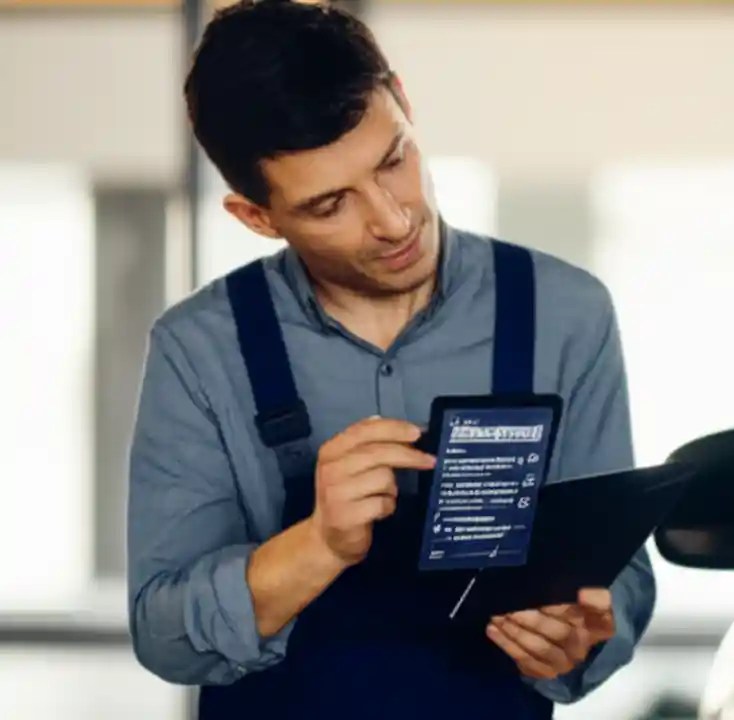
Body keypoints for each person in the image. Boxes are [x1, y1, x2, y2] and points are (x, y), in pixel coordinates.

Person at [125, 1, 654, 717]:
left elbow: (616, 576)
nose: (394, 219)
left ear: (402, 100)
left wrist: (583, 632)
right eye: (330, 204)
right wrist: (318, 543)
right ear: (257, 218)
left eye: (394, 159)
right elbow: (164, 633)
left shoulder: (568, 315)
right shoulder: (200, 349)